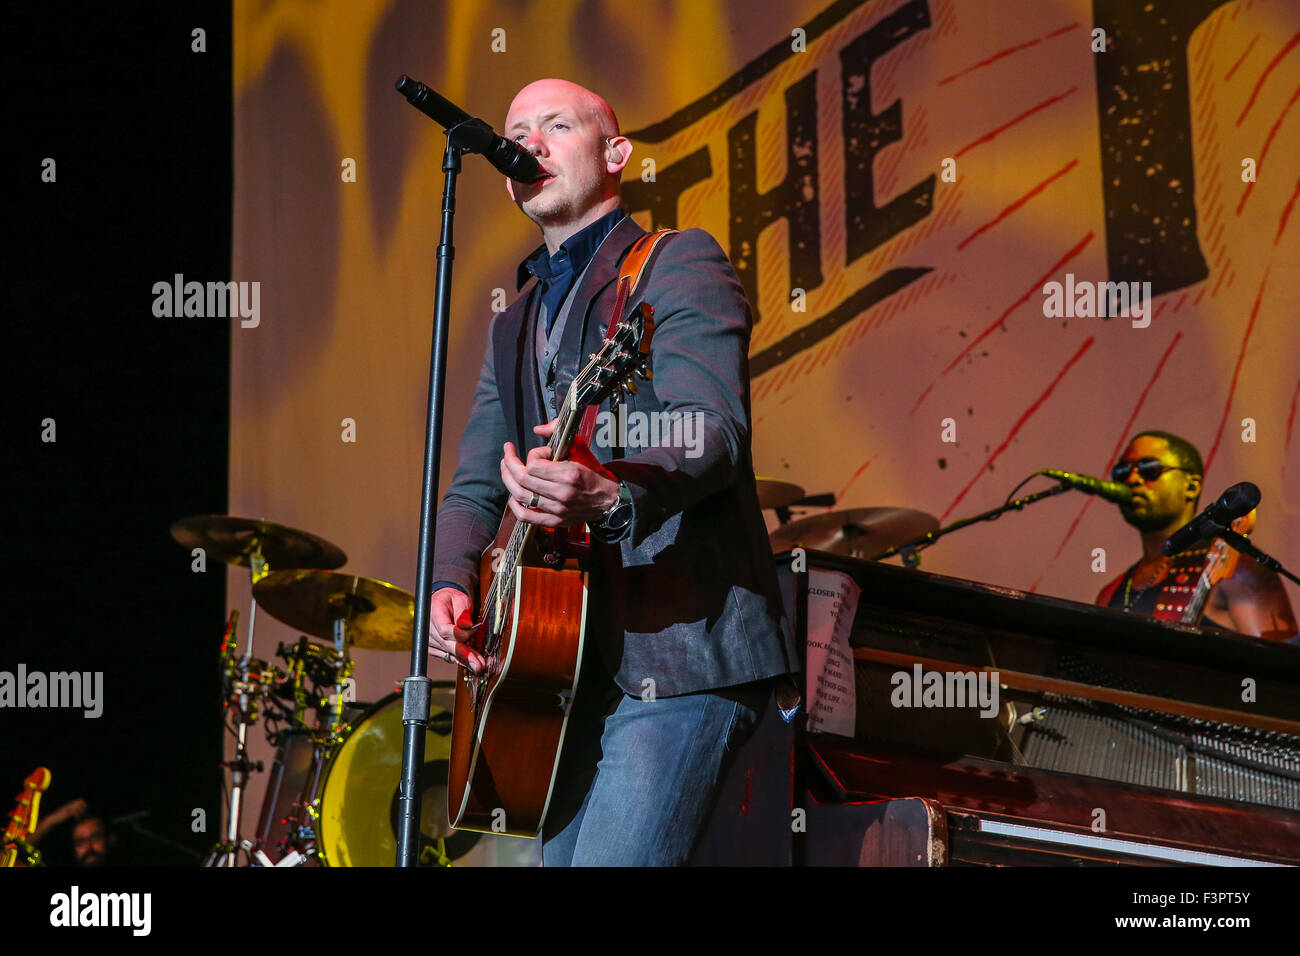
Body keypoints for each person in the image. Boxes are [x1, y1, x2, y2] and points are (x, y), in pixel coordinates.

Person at [426, 78, 798, 865]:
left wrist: (614, 493)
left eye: (556, 126)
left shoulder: (676, 261)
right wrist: (452, 580)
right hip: (554, 671)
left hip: (681, 648)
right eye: (518, 131)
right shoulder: (515, 321)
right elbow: (473, 485)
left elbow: (713, 430)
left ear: (617, 153)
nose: (530, 143)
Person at [1095, 430, 1298, 640]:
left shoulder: (1239, 571)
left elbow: (1276, 666)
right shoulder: (1109, 593)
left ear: (1191, 486)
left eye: (1149, 469)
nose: (1132, 479)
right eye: (1121, 472)